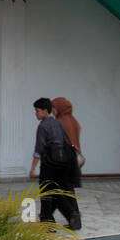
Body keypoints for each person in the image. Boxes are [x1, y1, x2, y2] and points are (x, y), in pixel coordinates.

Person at [30, 97, 81, 230]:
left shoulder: (43, 126)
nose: (36, 113)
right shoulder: (58, 123)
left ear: (45, 111)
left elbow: (39, 148)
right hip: (64, 162)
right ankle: (58, 219)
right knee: (59, 191)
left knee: (48, 192)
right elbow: (65, 141)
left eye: (37, 111)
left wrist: (33, 168)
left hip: (49, 163)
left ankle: (53, 221)